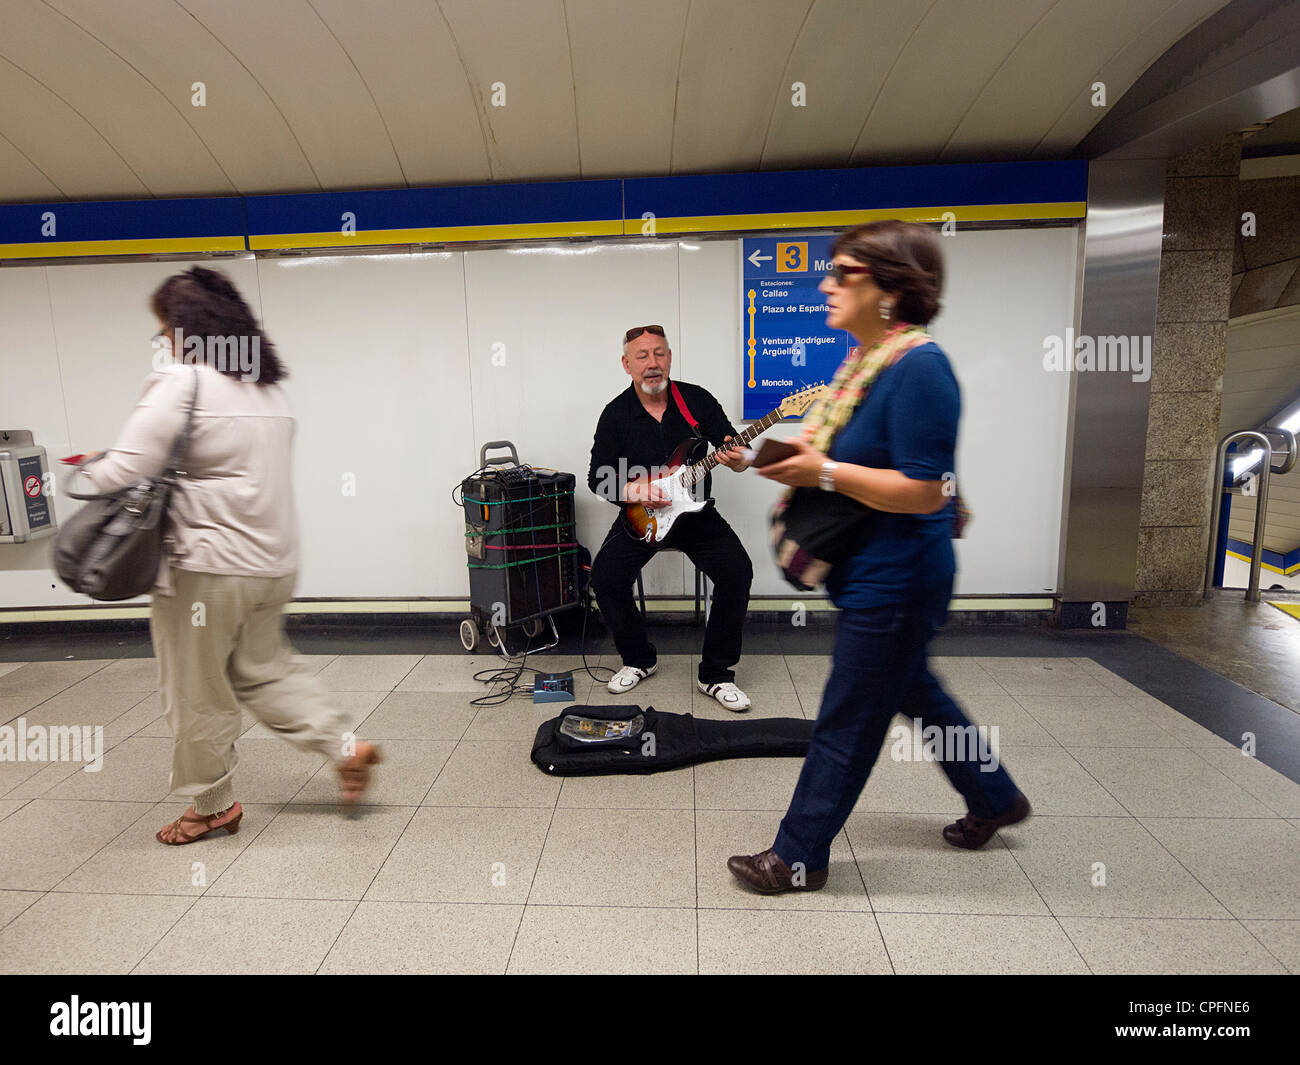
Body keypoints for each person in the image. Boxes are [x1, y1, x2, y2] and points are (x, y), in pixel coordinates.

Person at [727, 221, 1030, 894]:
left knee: (849, 715)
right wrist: (767, 458)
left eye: (843, 272)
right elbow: (845, 457)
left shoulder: (920, 366)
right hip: (875, 569)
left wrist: (824, 475)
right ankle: (995, 796)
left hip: (898, 576)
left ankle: (797, 856)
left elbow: (926, 489)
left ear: (892, 287)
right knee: (916, 690)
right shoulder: (865, 364)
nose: (825, 284)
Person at [71, 266, 381, 845]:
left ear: (185, 330)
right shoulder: (267, 389)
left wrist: (85, 474)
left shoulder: (181, 382)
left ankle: (211, 808)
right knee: (264, 669)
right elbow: (220, 464)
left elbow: (125, 469)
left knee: (197, 689)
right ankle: (345, 747)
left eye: (164, 329)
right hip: (273, 565)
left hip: (206, 570)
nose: (162, 342)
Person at [587, 325, 755, 710]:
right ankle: (638, 659)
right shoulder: (615, 414)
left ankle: (715, 674)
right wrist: (634, 490)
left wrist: (738, 459)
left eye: (659, 353)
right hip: (642, 517)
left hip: (695, 516)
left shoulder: (696, 400)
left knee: (737, 573)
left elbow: (734, 450)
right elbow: (598, 475)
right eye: (642, 356)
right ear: (626, 364)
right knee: (605, 578)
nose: (652, 363)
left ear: (670, 357)